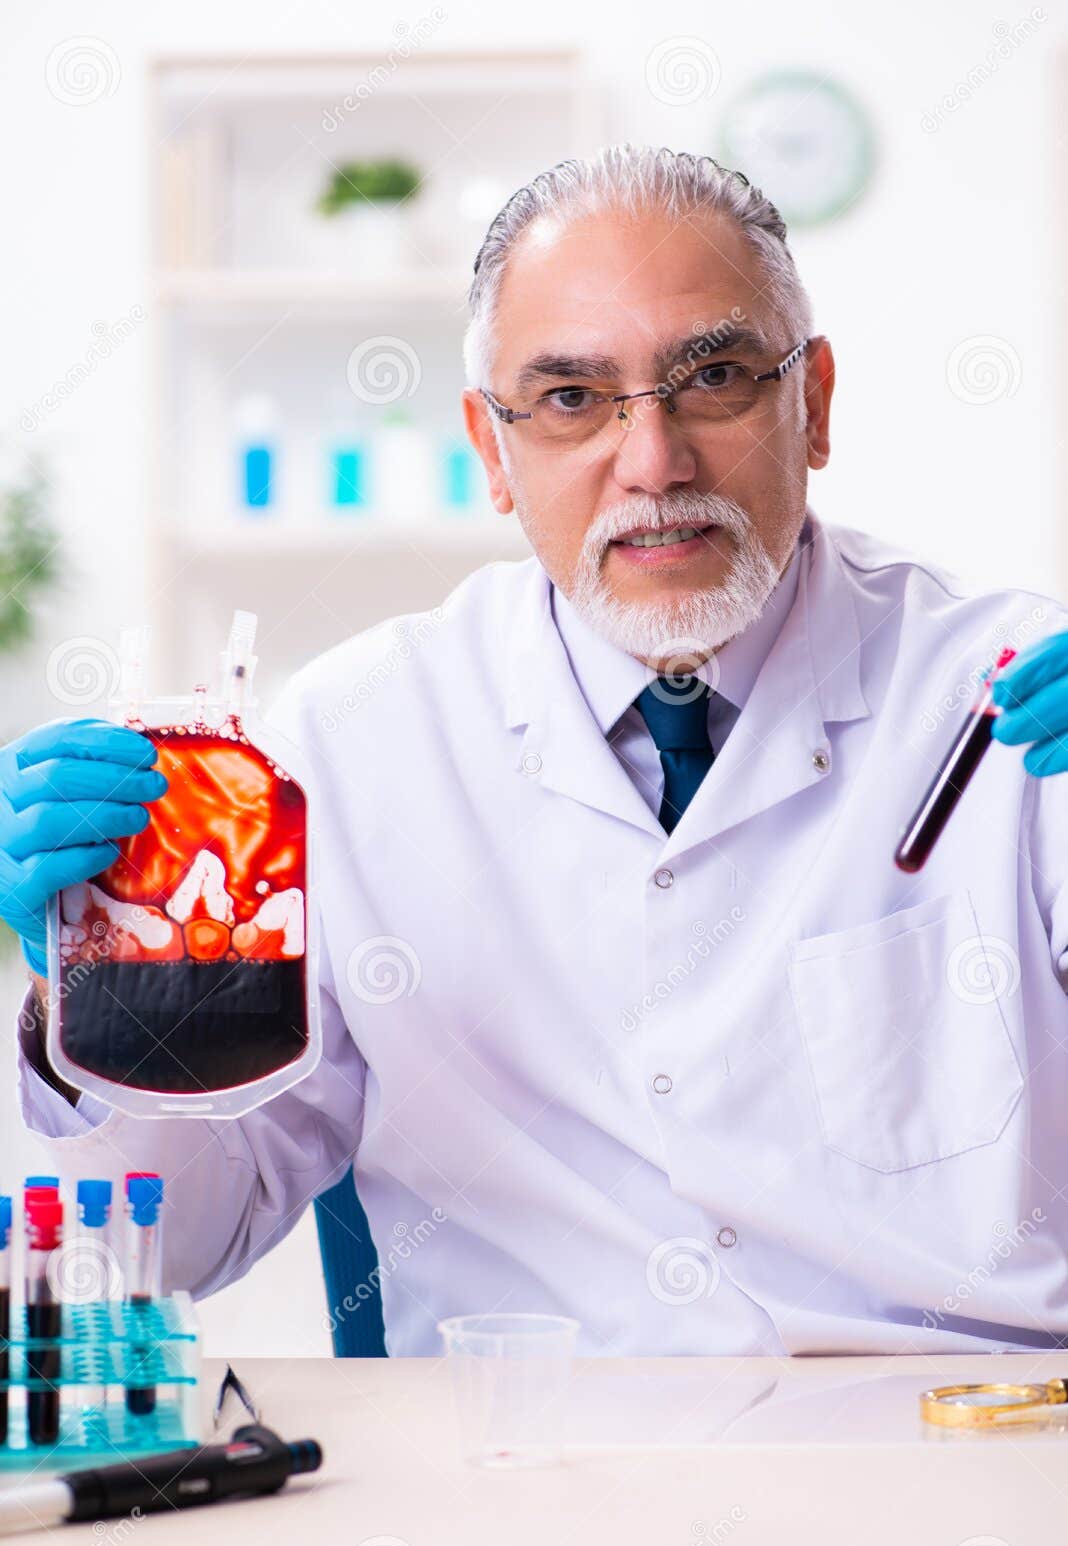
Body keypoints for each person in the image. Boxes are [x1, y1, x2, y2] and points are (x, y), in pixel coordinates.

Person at [5, 143, 1068, 1357]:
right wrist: (86, 1000)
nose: (653, 463)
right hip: (520, 1480)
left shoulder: (1014, 706)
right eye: (570, 400)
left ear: (813, 402)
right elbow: (170, 1245)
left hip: (959, 1456)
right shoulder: (344, 750)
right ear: (491, 446)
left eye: (713, 376)